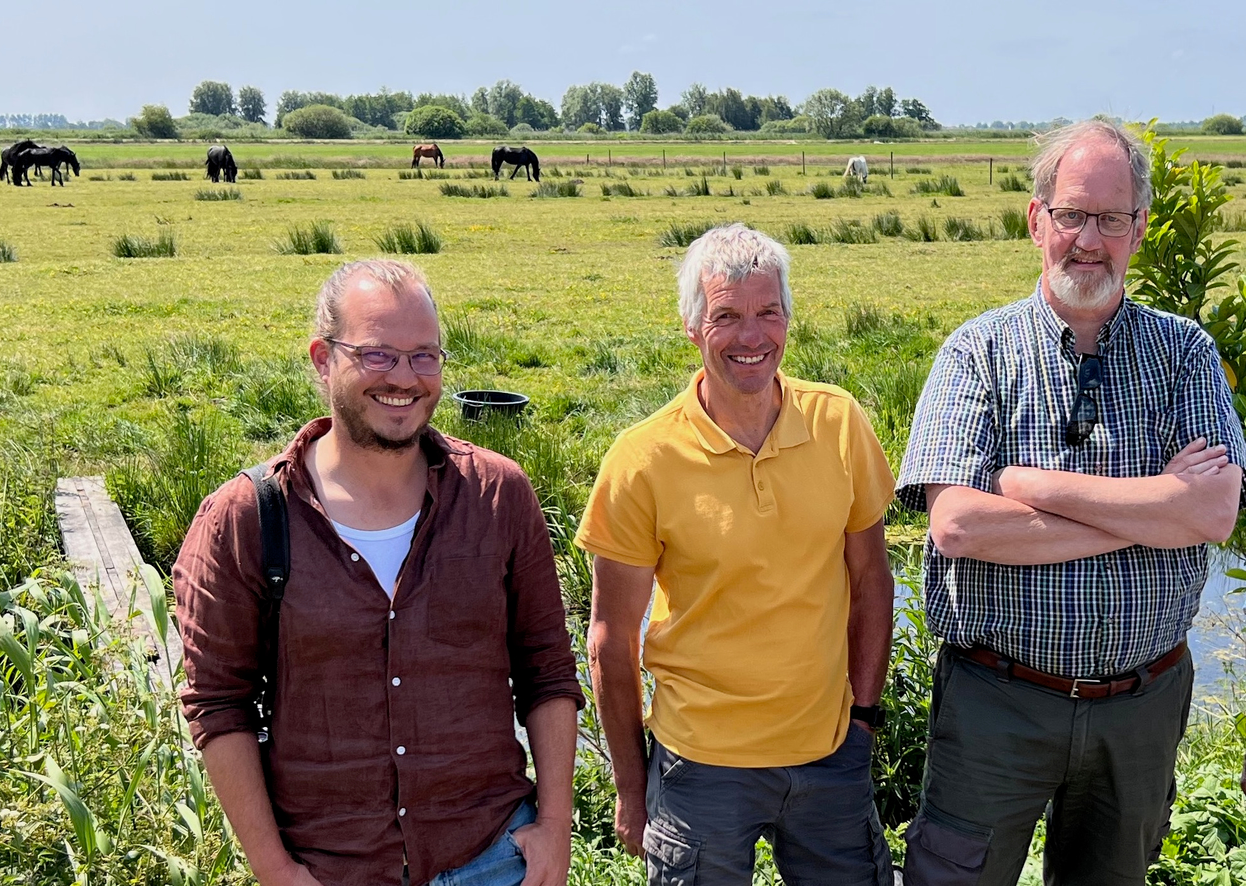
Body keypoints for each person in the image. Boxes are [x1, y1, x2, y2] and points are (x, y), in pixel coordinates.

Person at [896, 120, 1246, 885]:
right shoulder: (977, 351)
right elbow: (957, 525)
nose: (1089, 240)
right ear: (1036, 220)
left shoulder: (1184, 352)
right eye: (1072, 215)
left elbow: (1214, 513)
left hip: (1140, 707)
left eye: (1111, 219)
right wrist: (1153, 514)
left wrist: (1028, 485)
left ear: (1139, 229)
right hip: (997, 704)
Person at [175, 259, 584, 886]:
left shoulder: (498, 496)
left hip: (493, 857)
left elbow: (547, 669)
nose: (405, 379)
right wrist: (274, 868)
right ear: (321, 358)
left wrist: (556, 827)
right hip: (328, 867)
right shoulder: (247, 518)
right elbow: (219, 704)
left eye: (425, 357)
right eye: (378, 355)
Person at [575, 224, 896, 885]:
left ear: (787, 318)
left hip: (830, 754)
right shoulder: (642, 460)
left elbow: (871, 580)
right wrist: (634, 790)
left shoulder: (839, 423)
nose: (752, 338)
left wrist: (863, 718)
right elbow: (609, 641)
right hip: (700, 768)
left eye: (768, 313)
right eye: (727, 316)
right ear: (693, 326)